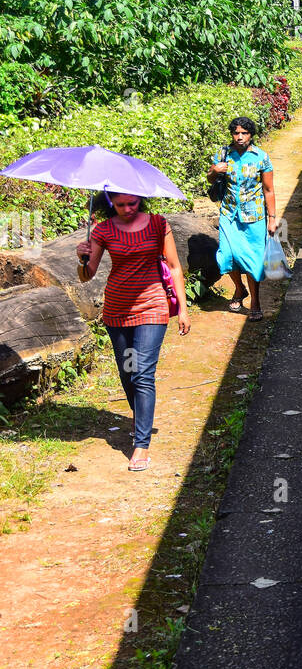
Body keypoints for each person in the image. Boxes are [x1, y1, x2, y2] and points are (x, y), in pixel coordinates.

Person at [76, 192, 189, 471]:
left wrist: (183, 309)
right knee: (128, 374)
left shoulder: (158, 224)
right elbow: (86, 275)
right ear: (110, 203)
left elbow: (174, 268)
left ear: (141, 200)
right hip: (117, 311)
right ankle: (141, 420)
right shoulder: (103, 230)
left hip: (152, 307)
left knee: (142, 374)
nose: (128, 208)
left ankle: (141, 446)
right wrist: (82, 259)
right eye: (121, 204)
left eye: (133, 203)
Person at [208, 118, 277, 322]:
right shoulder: (223, 154)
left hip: (254, 217)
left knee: (253, 261)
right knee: (227, 255)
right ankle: (239, 288)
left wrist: (272, 219)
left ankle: (255, 302)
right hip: (229, 213)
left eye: (244, 133)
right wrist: (214, 171)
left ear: (251, 135)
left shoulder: (261, 157)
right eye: (236, 133)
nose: (239, 137)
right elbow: (211, 179)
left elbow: (269, 190)